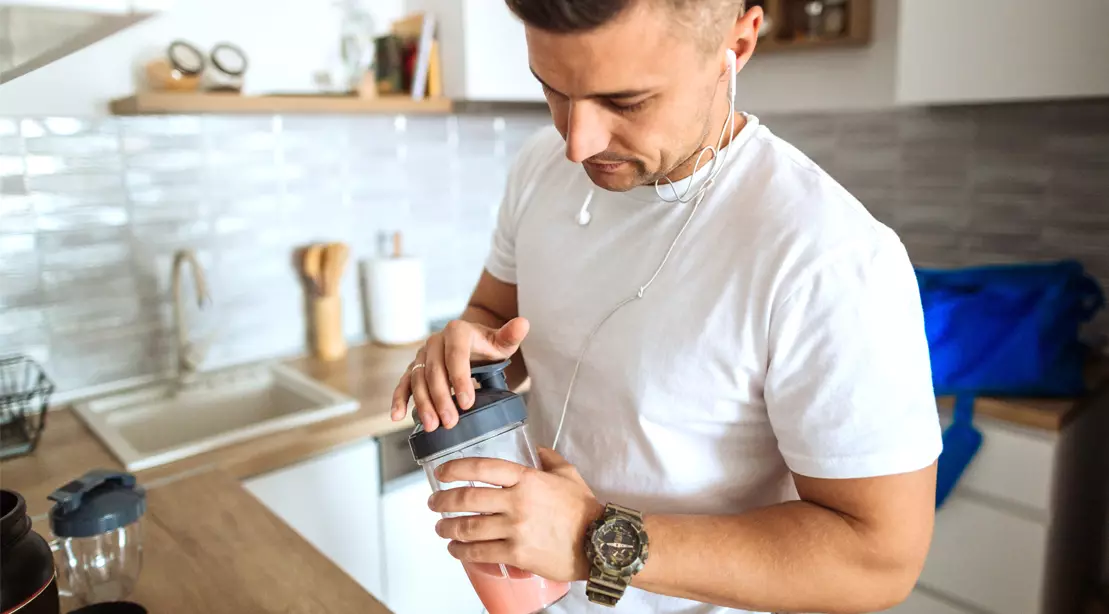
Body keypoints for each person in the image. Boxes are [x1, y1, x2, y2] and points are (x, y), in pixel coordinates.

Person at [390, 1, 944, 612]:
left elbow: (877, 560)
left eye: (626, 102)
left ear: (738, 43)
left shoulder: (829, 255)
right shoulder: (540, 169)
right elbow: (494, 315)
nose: (578, 143)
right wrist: (465, 350)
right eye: (552, 90)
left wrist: (592, 540)